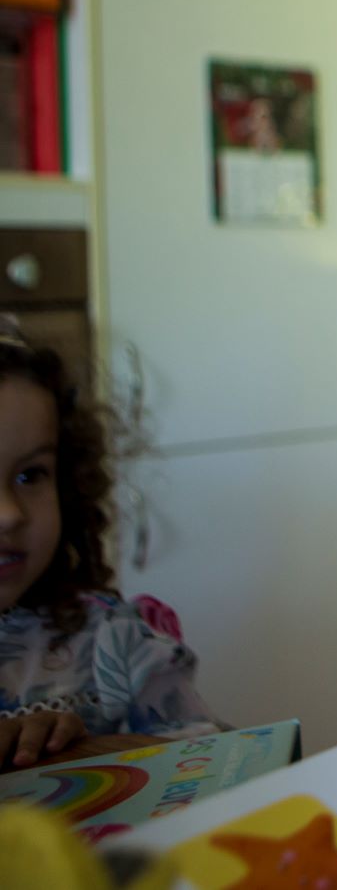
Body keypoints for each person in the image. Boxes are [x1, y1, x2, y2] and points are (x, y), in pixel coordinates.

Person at [0, 327, 221, 771]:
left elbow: (220, 762)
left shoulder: (116, 638)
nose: (8, 515)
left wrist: (87, 752)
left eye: (31, 476)